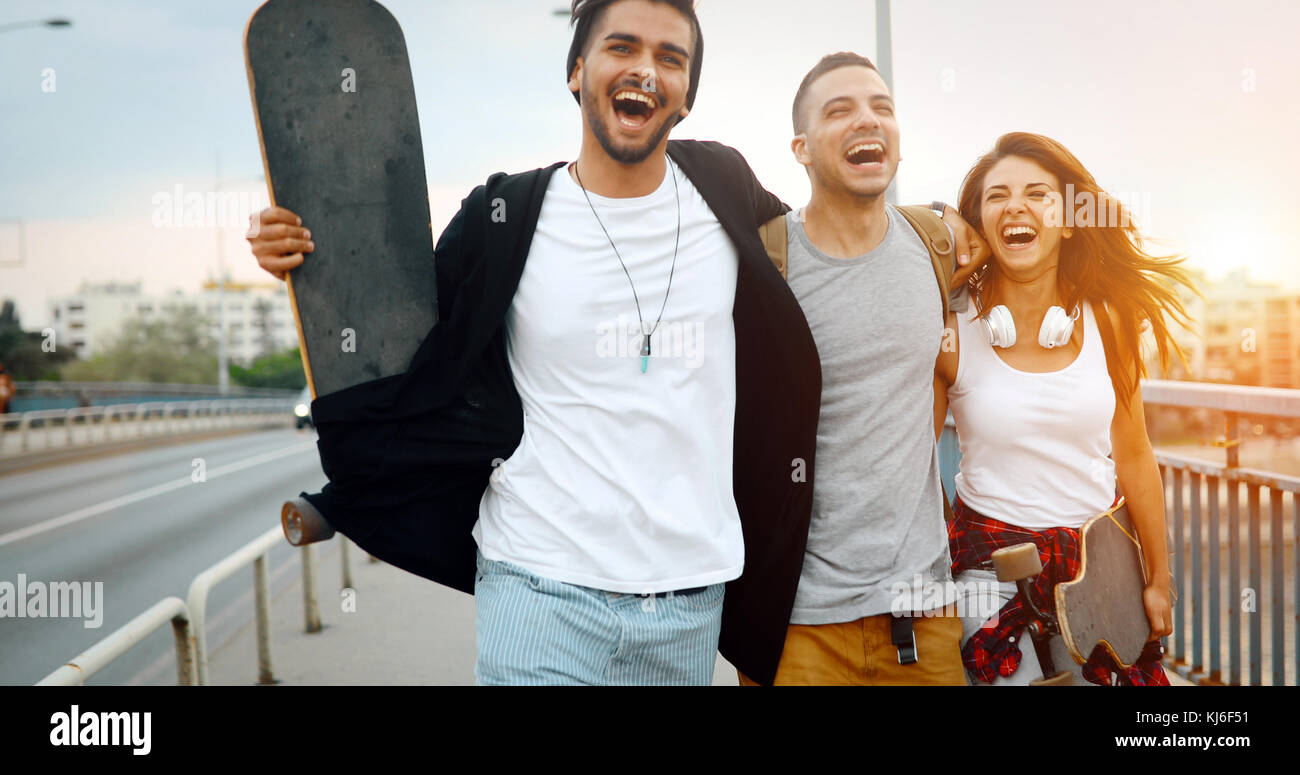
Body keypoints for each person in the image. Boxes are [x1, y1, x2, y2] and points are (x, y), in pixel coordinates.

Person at [248, 1, 983, 686]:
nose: (645, 70)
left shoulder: (724, 188)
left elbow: (830, 242)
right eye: (621, 48)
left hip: (688, 604)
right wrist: (311, 259)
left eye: (670, 58)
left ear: (686, 94)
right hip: (538, 587)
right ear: (577, 70)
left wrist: (941, 229)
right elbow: (397, 331)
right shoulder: (505, 215)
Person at [736, 52, 981, 685]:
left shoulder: (937, 245)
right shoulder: (764, 262)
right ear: (801, 148)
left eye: (882, 108)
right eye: (839, 110)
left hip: (924, 619)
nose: (866, 120)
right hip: (797, 628)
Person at [934, 131, 1193, 685]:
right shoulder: (951, 328)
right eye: (997, 196)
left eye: (1037, 194)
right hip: (990, 570)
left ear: (1070, 220)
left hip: (1101, 570)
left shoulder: (1111, 320)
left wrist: (1157, 578)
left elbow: (1135, 453)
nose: (1016, 206)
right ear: (980, 224)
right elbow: (913, 467)